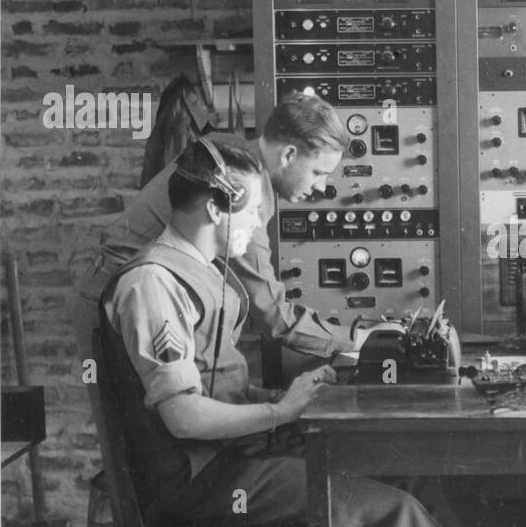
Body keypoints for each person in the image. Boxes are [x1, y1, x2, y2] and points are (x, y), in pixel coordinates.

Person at [97, 138, 526, 527]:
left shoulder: (202, 272)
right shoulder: (151, 283)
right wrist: (282, 410)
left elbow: (222, 389)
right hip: (200, 479)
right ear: (216, 209)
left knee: (403, 473)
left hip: (233, 456)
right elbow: (184, 417)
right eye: (251, 214)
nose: (258, 228)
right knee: (383, 511)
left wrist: (296, 396)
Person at [74, 90, 351, 367]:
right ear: (289, 154)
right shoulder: (239, 192)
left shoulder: (231, 149)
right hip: (115, 307)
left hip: (138, 298)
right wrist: (358, 339)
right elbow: (275, 317)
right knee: (129, 408)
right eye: (319, 172)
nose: (321, 187)